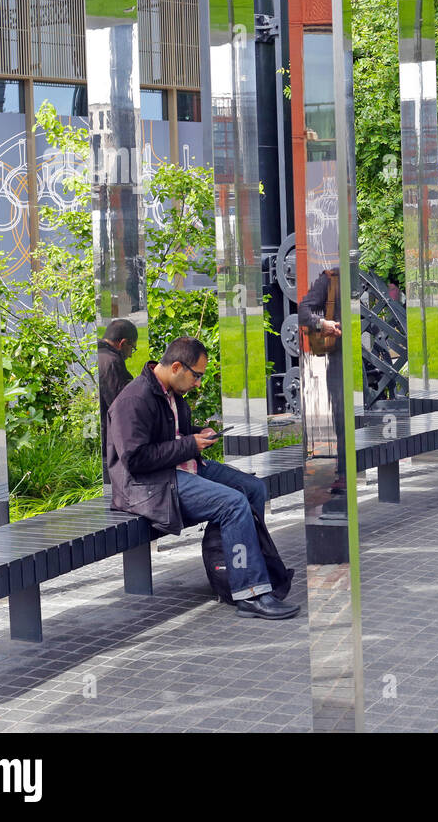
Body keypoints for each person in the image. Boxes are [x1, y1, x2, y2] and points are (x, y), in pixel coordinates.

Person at [105, 336, 300, 620]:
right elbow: (134, 459)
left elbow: (169, 436)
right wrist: (189, 445)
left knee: (253, 489)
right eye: (196, 375)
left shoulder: (171, 393)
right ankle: (251, 593)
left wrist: (200, 434)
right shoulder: (134, 399)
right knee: (233, 503)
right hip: (148, 487)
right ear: (175, 367)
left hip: (179, 469)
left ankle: (228, 569)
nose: (198, 383)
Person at [301, 266, 346, 494]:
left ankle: (348, 471)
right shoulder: (330, 279)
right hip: (338, 360)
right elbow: (303, 311)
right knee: (342, 419)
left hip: (359, 361)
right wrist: (322, 324)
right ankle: (343, 474)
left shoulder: (358, 278)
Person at [97, 318, 137, 435]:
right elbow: (122, 407)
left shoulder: (95, 353)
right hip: (108, 435)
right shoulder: (113, 362)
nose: (130, 355)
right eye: (132, 349)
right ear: (123, 343)